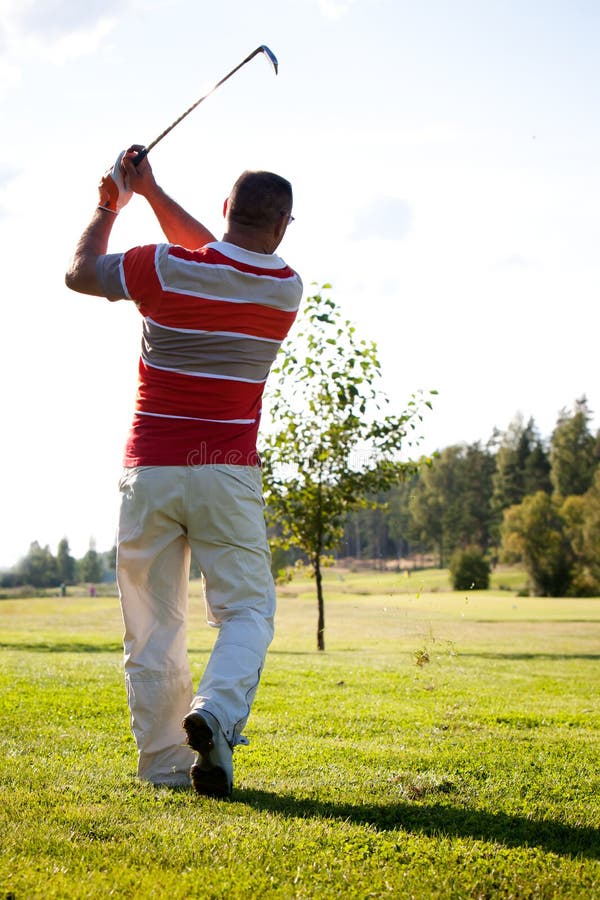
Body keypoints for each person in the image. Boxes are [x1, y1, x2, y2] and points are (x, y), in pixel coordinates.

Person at [65, 146, 302, 797]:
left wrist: (113, 203)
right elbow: (221, 253)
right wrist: (153, 191)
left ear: (226, 209)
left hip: (149, 472)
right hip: (224, 470)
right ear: (283, 225)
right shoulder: (285, 286)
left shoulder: (162, 267)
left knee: (152, 625)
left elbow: (80, 272)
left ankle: (167, 767)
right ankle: (216, 712)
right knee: (248, 609)